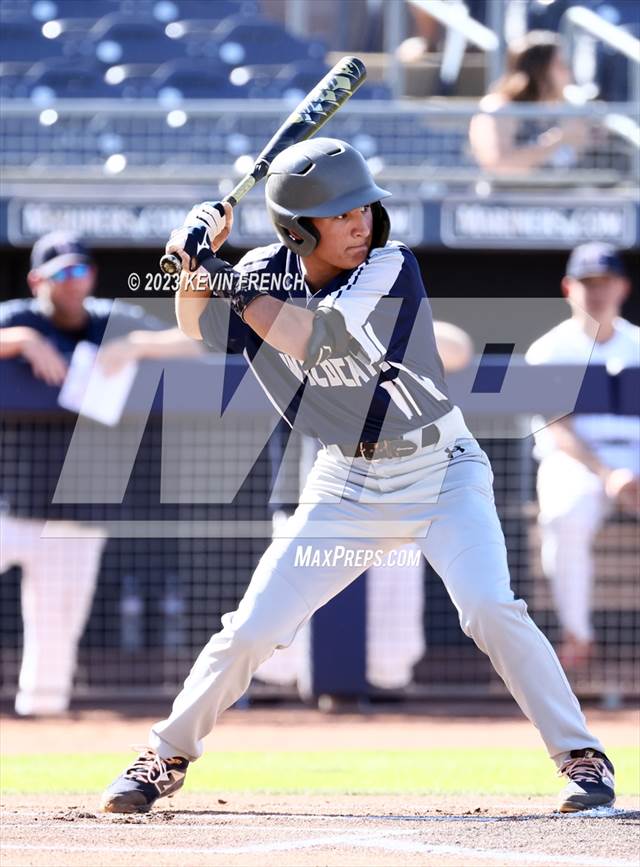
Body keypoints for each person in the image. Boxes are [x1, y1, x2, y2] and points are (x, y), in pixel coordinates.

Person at [101, 139, 615, 814]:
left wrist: (216, 270)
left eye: (364, 209)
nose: (360, 223)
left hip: (441, 472)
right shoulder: (260, 271)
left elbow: (317, 337)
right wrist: (191, 257)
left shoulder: (391, 267)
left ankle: (582, 758)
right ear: (297, 227)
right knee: (254, 626)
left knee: (491, 608)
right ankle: (164, 755)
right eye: (341, 215)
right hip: (346, 481)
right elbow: (194, 320)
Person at [0, 231, 203, 717]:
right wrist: (23, 342)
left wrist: (135, 346)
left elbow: (195, 342)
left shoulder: (110, 319)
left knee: (55, 638)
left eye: (81, 271)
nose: (74, 282)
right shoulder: (20, 317)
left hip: (77, 514)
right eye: (62, 274)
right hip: (10, 506)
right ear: (37, 281)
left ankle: (41, 746)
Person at [526, 243, 639, 670]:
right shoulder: (549, 349)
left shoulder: (637, 344)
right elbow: (557, 426)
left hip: (635, 456)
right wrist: (610, 474)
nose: (597, 292)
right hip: (578, 462)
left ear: (622, 287)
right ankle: (578, 636)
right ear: (568, 287)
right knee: (564, 513)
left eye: (605, 282)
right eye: (587, 283)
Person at [469, 31, 589, 174]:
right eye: (559, 65)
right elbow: (498, 164)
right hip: (509, 195)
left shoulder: (561, 109)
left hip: (558, 194)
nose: (568, 72)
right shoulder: (499, 107)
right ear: (539, 71)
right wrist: (558, 140)